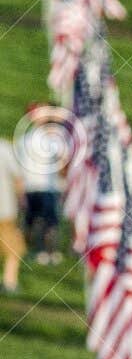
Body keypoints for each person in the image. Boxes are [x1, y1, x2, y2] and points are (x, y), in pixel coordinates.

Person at [20, 108, 66, 265]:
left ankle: (34, 250)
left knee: (33, 220)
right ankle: (47, 252)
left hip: (32, 185)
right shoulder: (51, 139)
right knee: (48, 221)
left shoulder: (25, 139)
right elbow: (62, 163)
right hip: (46, 186)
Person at [0, 137, 24, 294]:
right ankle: (9, 282)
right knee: (15, 248)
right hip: (4, 208)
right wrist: (22, 200)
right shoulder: (4, 148)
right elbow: (18, 178)